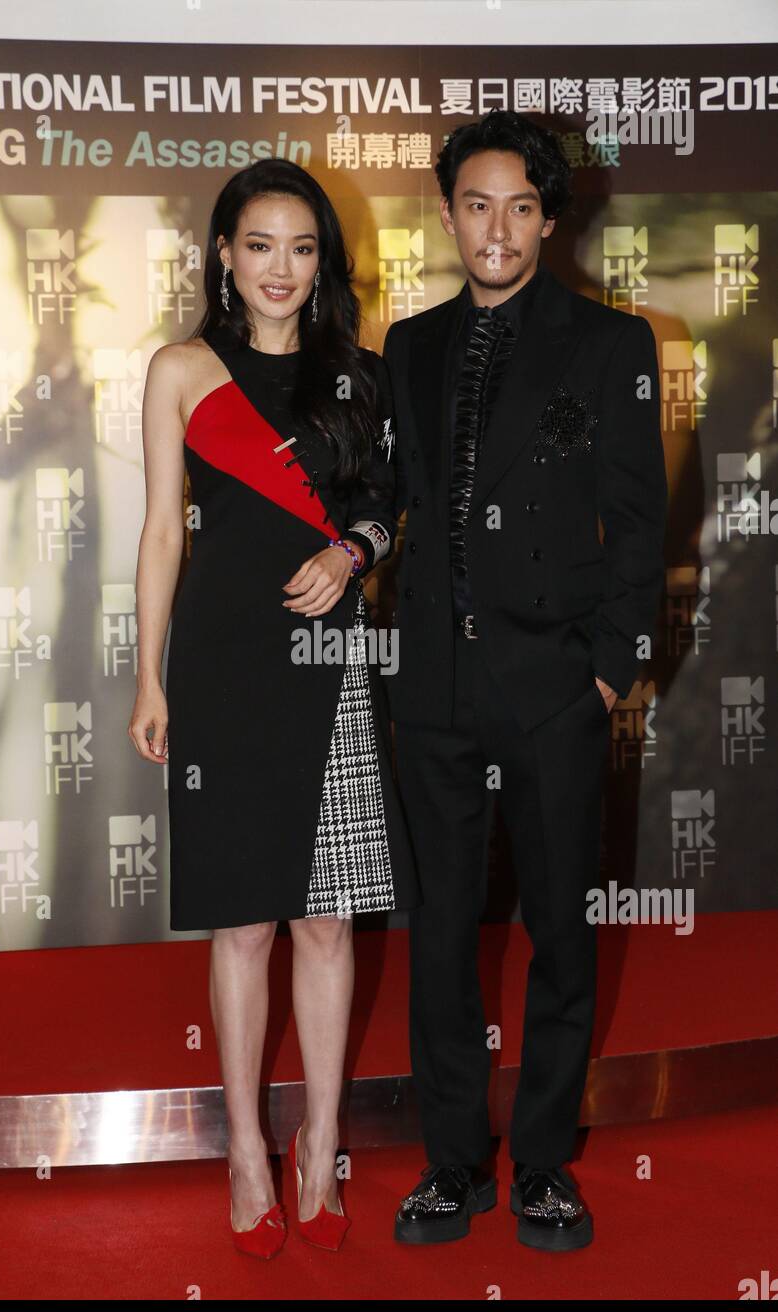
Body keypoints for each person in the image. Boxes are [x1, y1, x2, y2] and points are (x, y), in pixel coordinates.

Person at [383, 111, 667, 1250]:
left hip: (552, 686)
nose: (494, 228)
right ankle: (453, 1163)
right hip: (433, 690)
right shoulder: (407, 345)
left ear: (548, 218)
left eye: (518, 206)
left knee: (559, 932)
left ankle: (543, 1164)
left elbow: (640, 527)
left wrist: (604, 675)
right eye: (473, 204)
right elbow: (389, 500)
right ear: (447, 213)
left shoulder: (610, 344)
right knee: (441, 935)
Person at [129, 159, 419, 1258]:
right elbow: (163, 532)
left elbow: (389, 507)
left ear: (323, 262)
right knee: (244, 920)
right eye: (259, 245)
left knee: (329, 917)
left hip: (329, 661)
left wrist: (350, 554)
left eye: (301, 248)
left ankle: (320, 1141)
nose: (280, 269)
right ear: (222, 254)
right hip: (221, 661)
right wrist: (149, 673)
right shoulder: (178, 370)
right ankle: (247, 1147)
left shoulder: (362, 376)